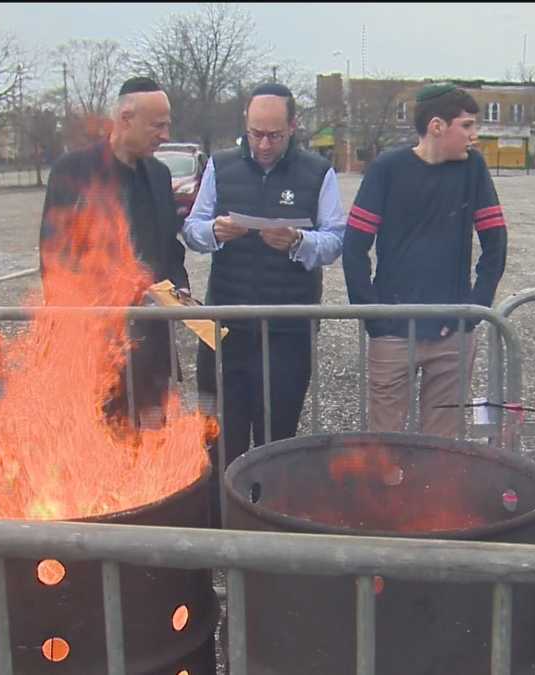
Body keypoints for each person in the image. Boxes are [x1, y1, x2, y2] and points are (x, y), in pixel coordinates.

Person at [182, 82, 345, 519]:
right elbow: (193, 227)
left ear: (293, 126)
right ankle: (222, 524)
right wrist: (214, 232)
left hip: (287, 326)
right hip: (227, 324)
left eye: (274, 134)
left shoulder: (317, 171)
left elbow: (335, 239)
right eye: (256, 133)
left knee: (277, 436)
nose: (264, 144)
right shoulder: (221, 165)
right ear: (246, 127)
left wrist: (298, 241)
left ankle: (271, 521)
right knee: (222, 434)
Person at [342, 83, 508, 439]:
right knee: (384, 445)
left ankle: (436, 498)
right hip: (393, 334)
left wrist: (473, 310)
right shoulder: (387, 169)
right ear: (437, 126)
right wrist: (374, 317)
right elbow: (354, 248)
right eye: (466, 126)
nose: (474, 136)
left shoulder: (472, 169)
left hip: (452, 336)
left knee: (443, 448)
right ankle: (387, 497)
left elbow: (495, 243)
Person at [39, 76, 190, 426]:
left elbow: (168, 248)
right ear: (125, 118)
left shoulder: (159, 174)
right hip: (95, 343)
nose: (166, 134)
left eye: (167, 124)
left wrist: (179, 290)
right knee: (99, 446)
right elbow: (55, 259)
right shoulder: (74, 171)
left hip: (152, 343)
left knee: (154, 443)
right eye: (158, 125)